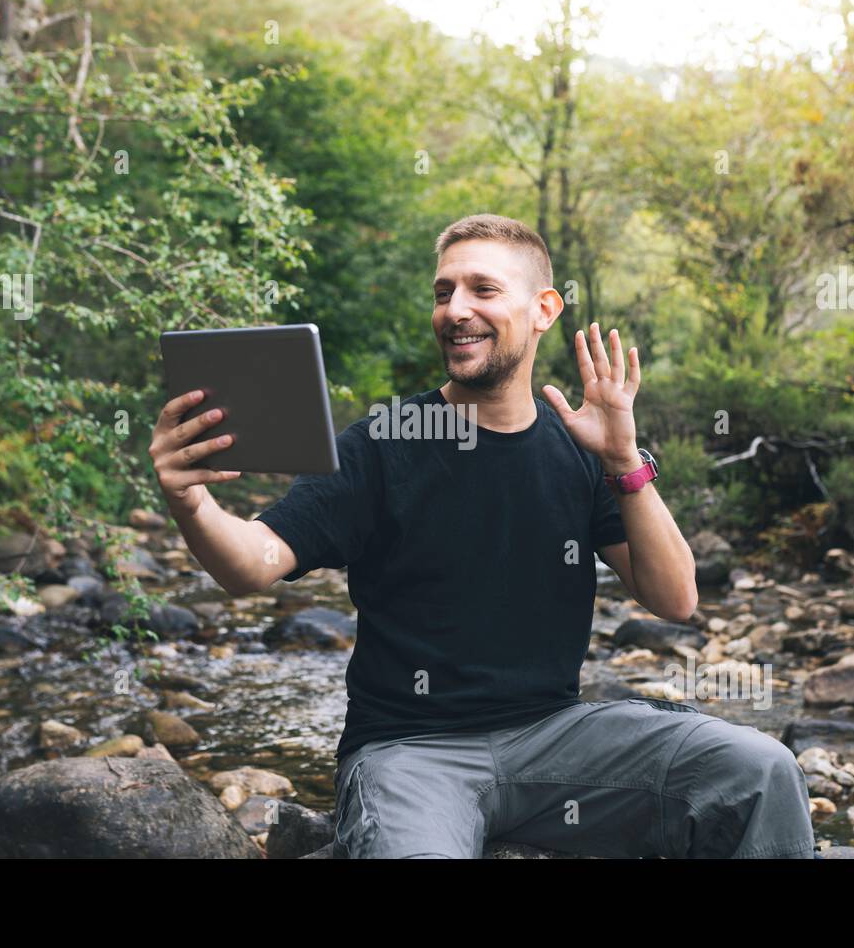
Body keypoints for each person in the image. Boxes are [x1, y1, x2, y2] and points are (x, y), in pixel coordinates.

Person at [148, 213, 817, 859]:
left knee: (760, 771)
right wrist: (189, 499)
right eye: (444, 293)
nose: (454, 309)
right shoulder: (383, 443)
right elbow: (251, 564)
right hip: (410, 751)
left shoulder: (582, 449)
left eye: (482, 289)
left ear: (544, 309)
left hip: (556, 739)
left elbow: (675, 600)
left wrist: (622, 460)